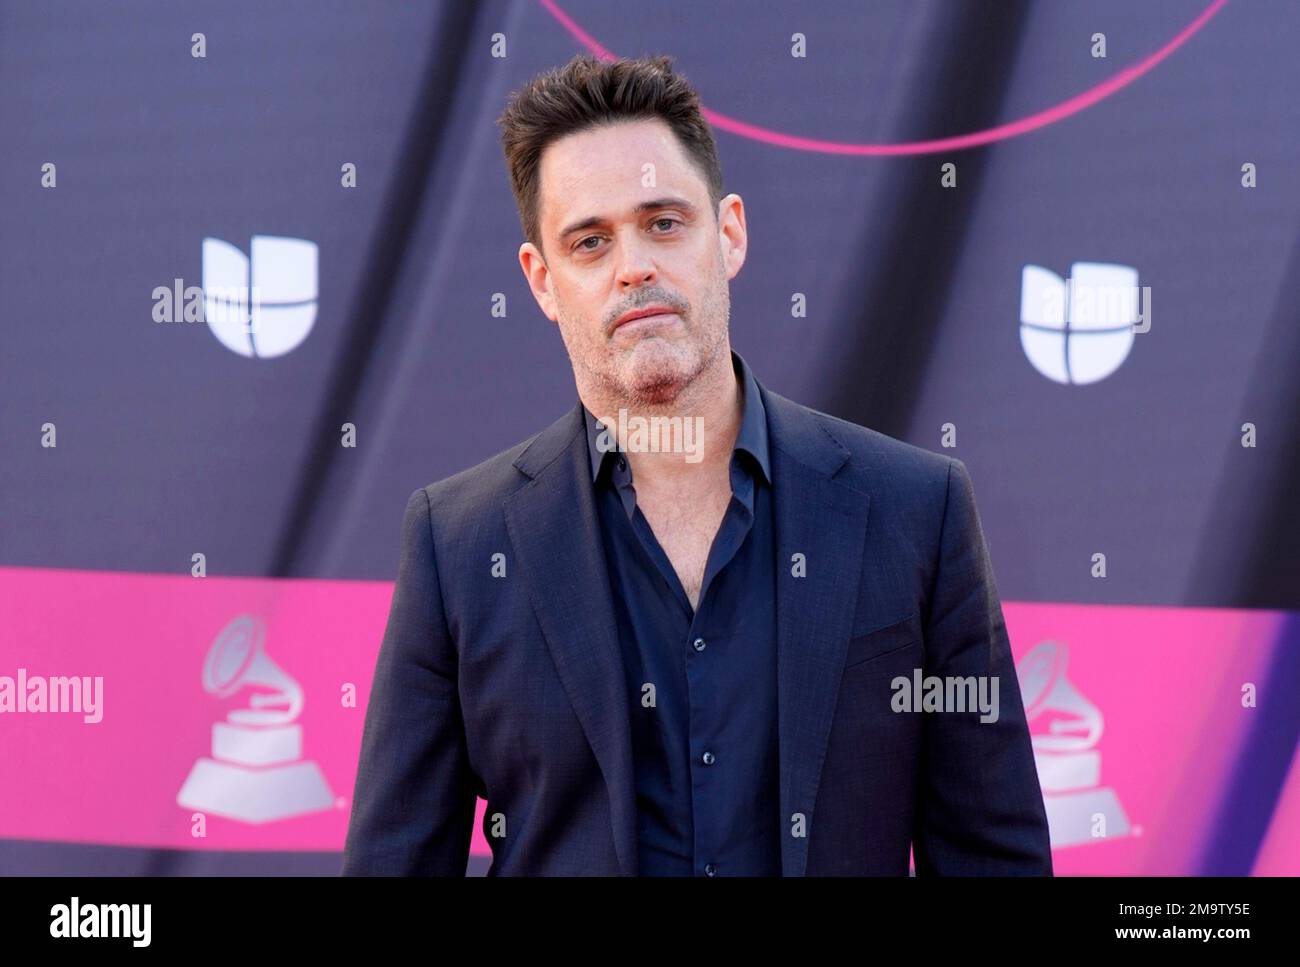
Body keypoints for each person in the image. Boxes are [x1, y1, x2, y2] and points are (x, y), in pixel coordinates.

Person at [341, 53, 1051, 876]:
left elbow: (995, 859)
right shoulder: (459, 544)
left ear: (732, 233)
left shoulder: (914, 511)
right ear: (541, 280)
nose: (634, 265)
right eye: (590, 241)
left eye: (664, 222)